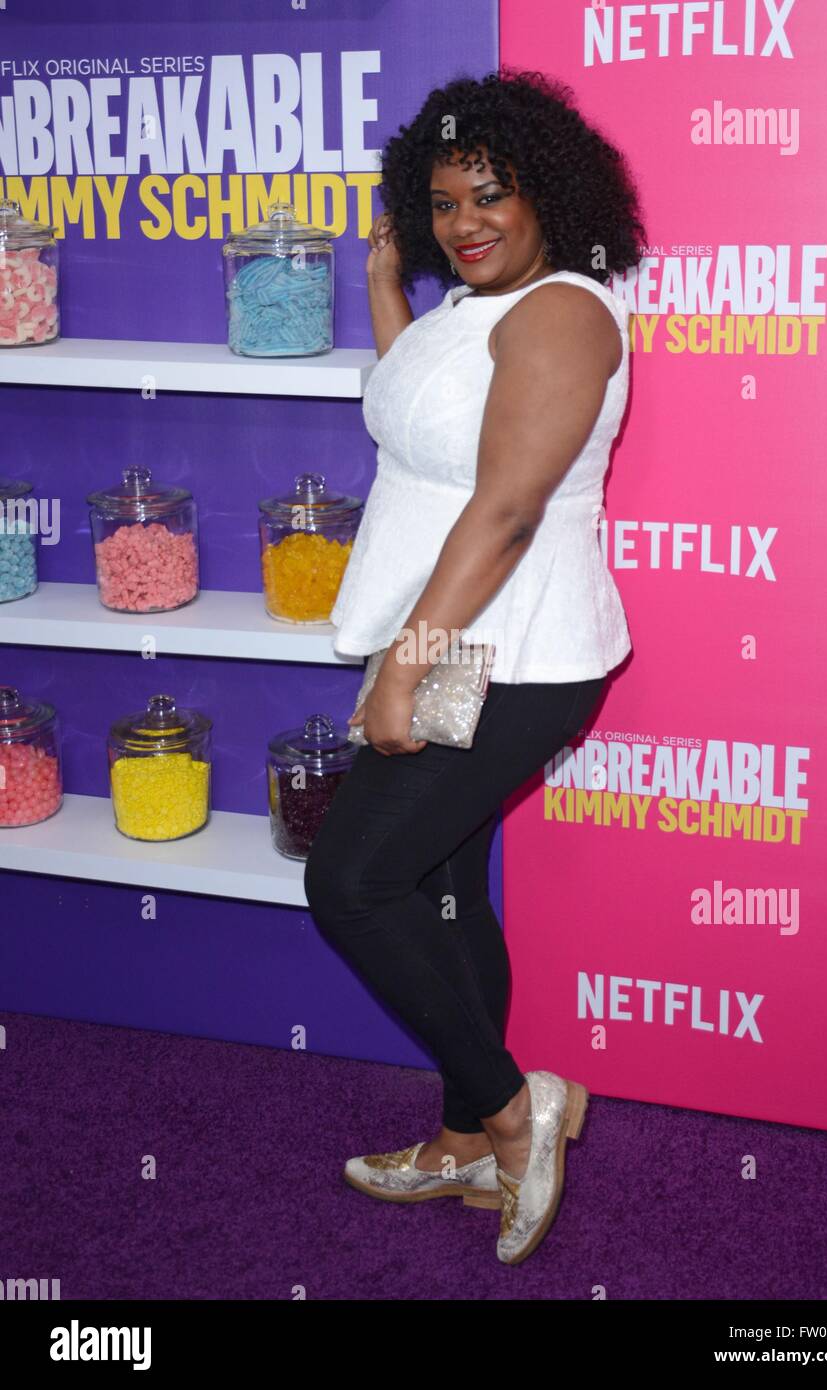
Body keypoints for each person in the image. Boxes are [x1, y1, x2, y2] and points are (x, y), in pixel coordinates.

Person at [304, 68, 645, 1266]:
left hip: (514, 649)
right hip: (463, 641)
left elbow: (502, 509)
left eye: (489, 193)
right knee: (443, 885)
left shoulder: (560, 312)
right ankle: (458, 1139)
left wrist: (404, 666)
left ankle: (513, 1110)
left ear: (549, 190)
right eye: (442, 201)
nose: (466, 222)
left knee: (348, 880)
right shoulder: (470, 310)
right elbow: (424, 414)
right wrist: (383, 287)